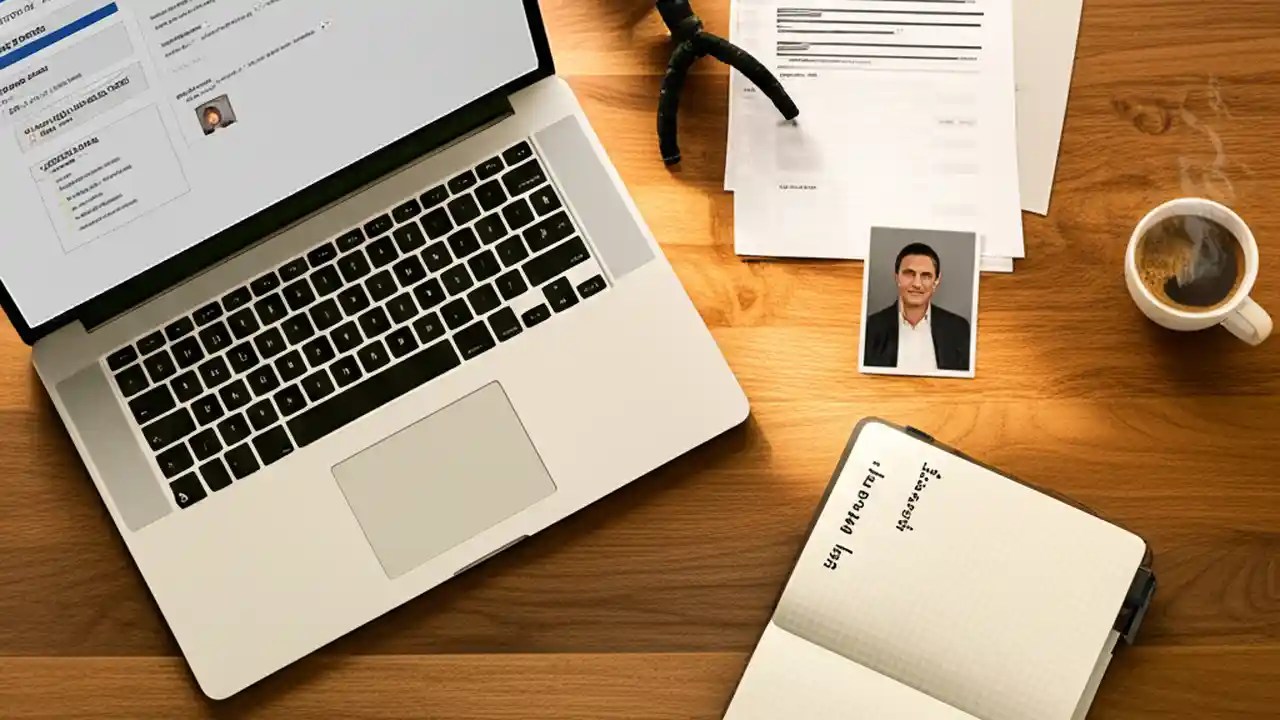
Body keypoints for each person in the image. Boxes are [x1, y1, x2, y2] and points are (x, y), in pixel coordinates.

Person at [863, 242, 972, 373]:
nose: (917, 284)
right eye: (909, 274)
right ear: (897, 277)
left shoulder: (958, 330)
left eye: (926, 276)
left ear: (936, 281)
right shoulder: (870, 328)